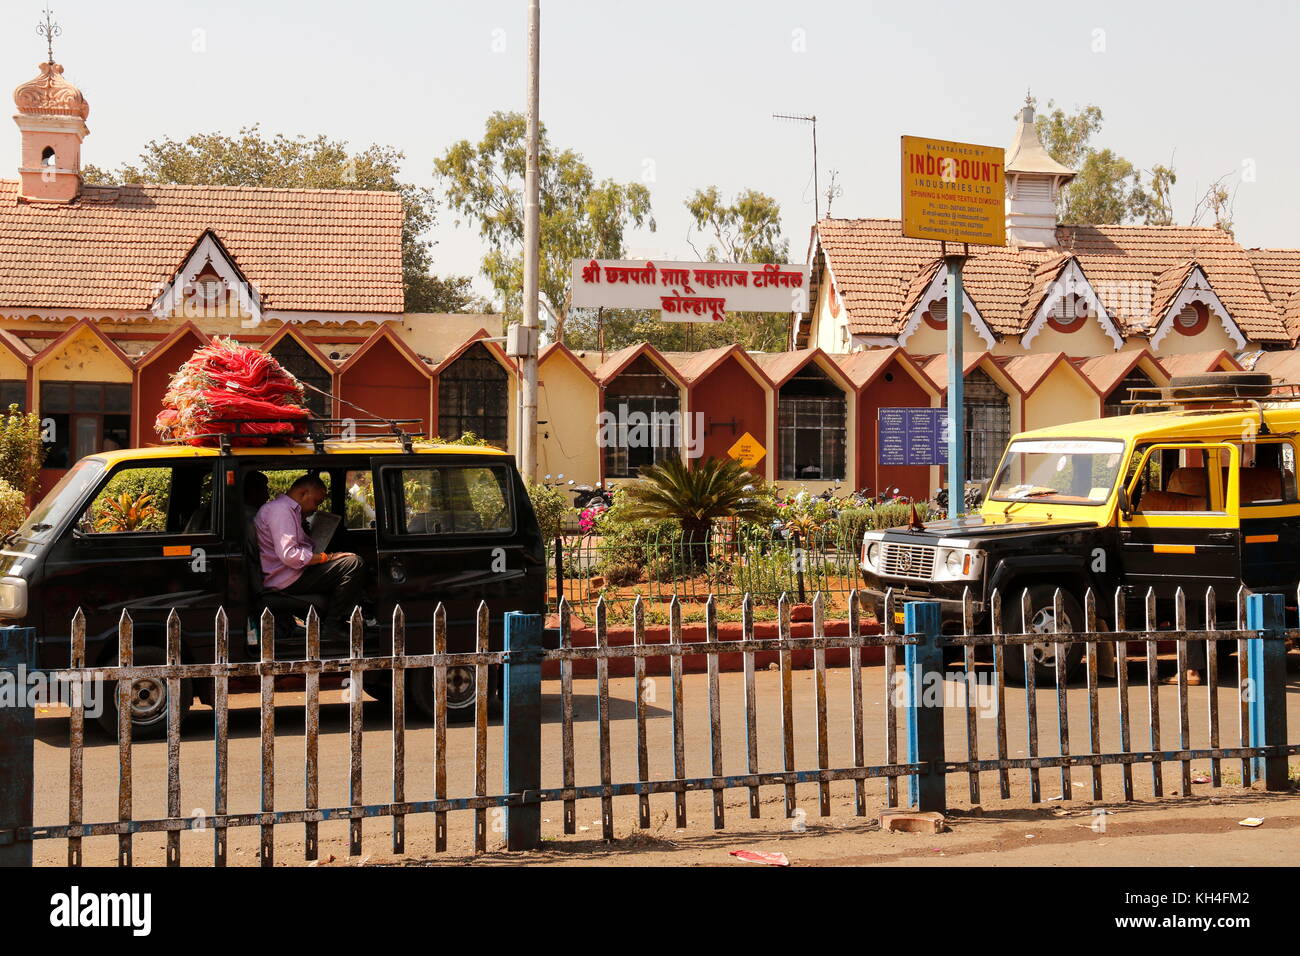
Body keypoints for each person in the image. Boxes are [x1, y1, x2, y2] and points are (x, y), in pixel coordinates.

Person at [254, 474, 364, 641]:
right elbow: (290, 555)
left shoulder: (290, 511)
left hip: (291, 573)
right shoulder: (281, 511)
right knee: (353, 563)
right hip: (287, 578)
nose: (315, 508)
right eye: (316, 502)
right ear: (303, 493)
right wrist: (328, 557)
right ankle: (332, 625)